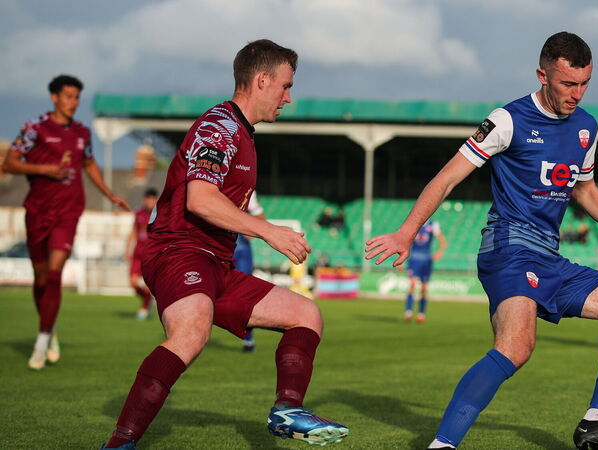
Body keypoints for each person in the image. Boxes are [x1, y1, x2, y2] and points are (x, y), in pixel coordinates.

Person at [366, 32, 598, 450]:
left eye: (584, 84)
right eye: (566, 83)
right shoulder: (507, 120)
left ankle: (597, 422)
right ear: (542, 75)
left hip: (550, 256)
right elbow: (448, 176)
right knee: (516, 347)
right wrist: (407, 231)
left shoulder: (586, 127)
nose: (576, 94)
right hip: (508, 247)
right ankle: (442, 445)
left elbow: (584, 190)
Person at [101, 40, 348, 449]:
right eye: (285, 86)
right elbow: (199, 199)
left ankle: (287, 411)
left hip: (217, 265)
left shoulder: (245, 136)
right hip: (178, 252)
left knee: (306, 313)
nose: (289, 97)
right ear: (262, 80)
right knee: (191, 333)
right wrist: (268, 231)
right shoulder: (220, 125)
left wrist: (263, 229)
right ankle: (120, 442)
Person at [2, 74, 130, 371]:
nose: (74, 102)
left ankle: (42, 340)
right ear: (55, 97)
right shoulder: (34, 129)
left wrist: (109, 193)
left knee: (55, 273)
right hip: (38, 211)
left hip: (68, 211)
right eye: (69, 96)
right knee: (41, 277)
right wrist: (44, 168)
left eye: (77, 97)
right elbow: (9, 162)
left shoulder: (82, 133)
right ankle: (49, 327)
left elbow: (88, 163)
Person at [235, 192, 266, 352]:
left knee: (245, 297)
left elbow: (260, 215)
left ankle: (248, 340)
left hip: (241, 250)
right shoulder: (214, 180)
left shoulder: (248, 190)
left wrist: (252, 229)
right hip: (218, 247)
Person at [404, 220, 447, 323]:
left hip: (426, 260)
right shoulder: (413, 223)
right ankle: (408, 312)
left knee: (424, 288)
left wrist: (440, 252)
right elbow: (405, 241)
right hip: (414, 259)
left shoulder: (433, 225)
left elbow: (442, 241)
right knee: (412, 285)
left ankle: (421, 314)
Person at [126, 188, 158, 320]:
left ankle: (144, 308)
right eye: (148, 199)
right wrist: (127, 249)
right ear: (144, 200)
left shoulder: (159, 214)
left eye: (152, 199)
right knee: (133, 283)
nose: (150, 201)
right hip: (137, 255)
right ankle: (148, 300)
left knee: (148, 284)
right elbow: (133, 231)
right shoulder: (138, 213)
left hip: (151, 255)